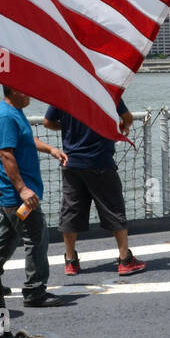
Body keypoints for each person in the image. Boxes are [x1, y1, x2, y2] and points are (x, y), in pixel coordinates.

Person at [0, 85, 68, 308]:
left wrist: (51, 149)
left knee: (7, 239)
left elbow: (26, 140)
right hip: (18, 195)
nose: (31, 93)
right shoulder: (6, 117)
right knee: (36, 237)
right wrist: (23, 189)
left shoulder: (15, 113)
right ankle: (35, 291)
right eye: (26, 90)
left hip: (15, 194)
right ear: (15, 91)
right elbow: (7, 154)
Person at [43, 97, 146, 277]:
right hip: (100, 161)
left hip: (71, 162)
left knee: (71, 210)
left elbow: (48, 122)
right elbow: (127, 118)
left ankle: (70, 260)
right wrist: (121, 126)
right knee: (114, 208)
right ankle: (125, 260)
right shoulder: (105, 92)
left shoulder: (64, 90)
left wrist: (65, 127)